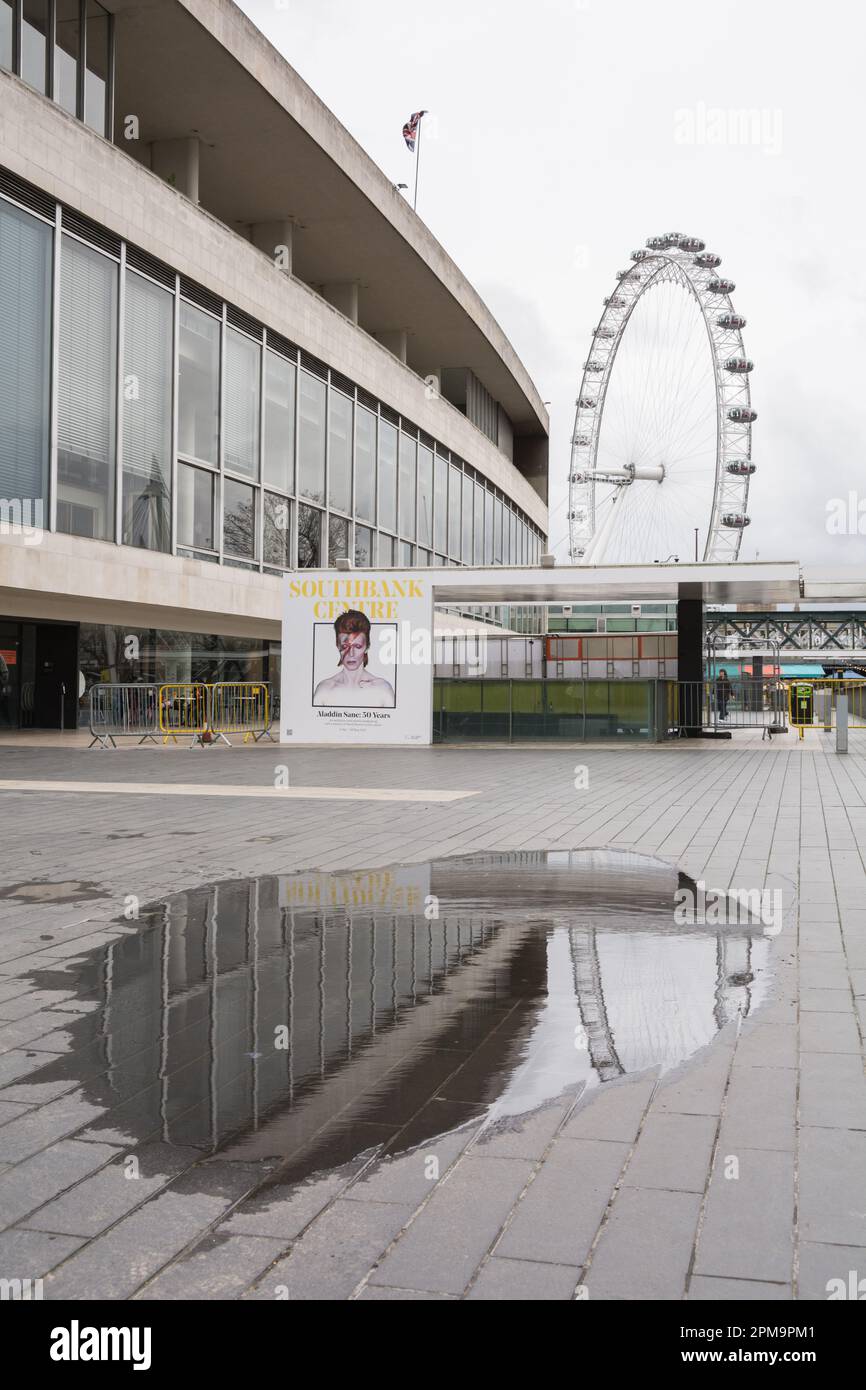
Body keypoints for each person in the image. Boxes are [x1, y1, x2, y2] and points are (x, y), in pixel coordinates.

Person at [313, 610, 395, 708]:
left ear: (367, 647)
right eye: (345, 646)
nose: (351, 654)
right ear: (337, 646)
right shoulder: (324, 689)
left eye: (357, 646)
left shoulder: (383, 690)